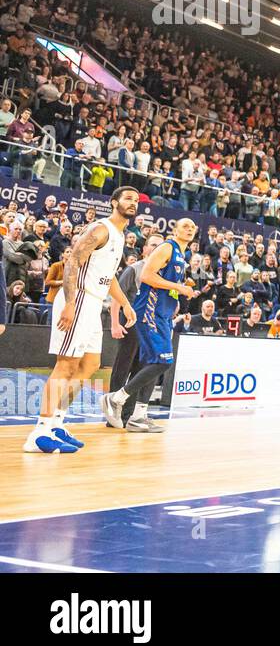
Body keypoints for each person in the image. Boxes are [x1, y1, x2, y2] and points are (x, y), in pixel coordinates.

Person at [24, 187, 138, 454]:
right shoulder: (101, 229)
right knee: (66, 365)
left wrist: (125, 303)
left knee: (90, 364)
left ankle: (57, 423)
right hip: (79, 299)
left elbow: (108, 278)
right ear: (114, 202)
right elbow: (73, 261)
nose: (133, 203)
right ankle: (39, 432)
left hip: (95, 301)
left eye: (136, 200)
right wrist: (71, 303)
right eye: (127, 198)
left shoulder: (120, 236)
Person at [102, 219, 199, 432]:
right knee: (163, 361)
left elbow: (166, 287)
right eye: (185, 226)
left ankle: (137, 416)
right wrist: (179, 288)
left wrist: (177, 297)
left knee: (152, 364)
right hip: (148, 311)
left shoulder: (182, 257)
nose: (190, 229)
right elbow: (146, 275)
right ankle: (116, 399)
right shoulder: (167, 247)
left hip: (162, 314)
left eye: (193, 227)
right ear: (175, 230)